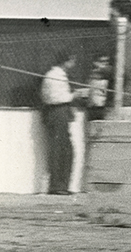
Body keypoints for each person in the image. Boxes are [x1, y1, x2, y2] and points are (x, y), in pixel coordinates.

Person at [40, 49, 80, 195]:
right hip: (57, 112)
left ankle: (62, 185)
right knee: (59, 150)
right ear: (67, 60)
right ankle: (57, 186)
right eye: (73, 60)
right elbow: (55, 98)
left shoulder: (59, 75)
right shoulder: (54, 75)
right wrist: (74, 95)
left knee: (66, 150)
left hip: (60, 113)